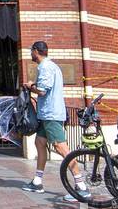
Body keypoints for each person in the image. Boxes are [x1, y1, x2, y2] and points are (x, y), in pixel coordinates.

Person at [23, 40, 83, 200]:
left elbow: (42, 91)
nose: (31, 54)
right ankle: (37, 181)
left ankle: (81, 186)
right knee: (40, 143)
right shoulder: (52, 66)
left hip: (51, 114)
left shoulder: (45, 67)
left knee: (61, 147)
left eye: (31, 51)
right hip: (46, 114)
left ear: (36, 51)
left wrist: (30, 87)